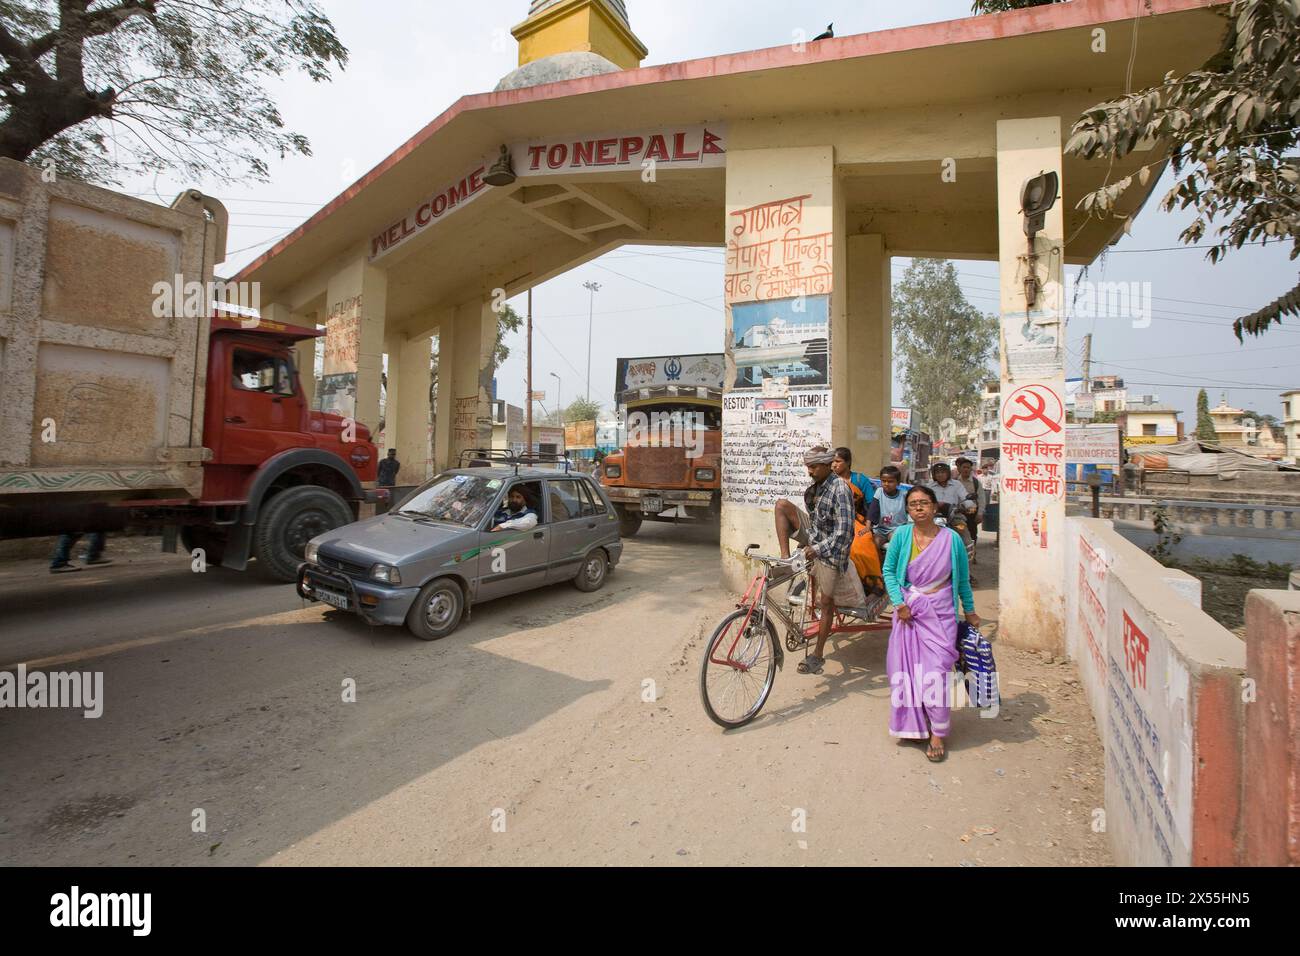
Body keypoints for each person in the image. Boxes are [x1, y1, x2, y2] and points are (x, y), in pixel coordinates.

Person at [882, 486, 979, 762]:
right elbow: (889, 571)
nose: (919, 508)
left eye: (924, 503)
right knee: (905, 672)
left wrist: (970, 611)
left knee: (936, 673)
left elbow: (961, 580)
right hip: (908, 614)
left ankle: (937, 732)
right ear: (908, 510)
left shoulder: (952, 540)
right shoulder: (901, 536)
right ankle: (912, 724)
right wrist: (899, 604)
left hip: (941, 614)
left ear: (935, 507)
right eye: (913, 504)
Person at [773, 446, 865, 675]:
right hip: (815, 536)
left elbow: (844, 534)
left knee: (826, 602)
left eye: (814, 467)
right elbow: (814, 522)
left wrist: (817, 549)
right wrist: (806, 544)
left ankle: (818, 655)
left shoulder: (840, 489)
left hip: (833, 551)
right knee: (782, 505)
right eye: (808, 467)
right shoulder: (814, 489)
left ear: (826, 465)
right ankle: (785, 560)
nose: (810, 471)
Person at [954, 456, 986, 562]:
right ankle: (959, 556)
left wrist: (980, 513)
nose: (966, 469)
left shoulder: (976, 483)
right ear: (960, 468)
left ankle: (972, 555)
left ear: (971, 469)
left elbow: (981, 498)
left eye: (968, 467)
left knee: (972, 534)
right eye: (964, 467)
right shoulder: (954, 482)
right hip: (957, 514)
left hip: (972, 512)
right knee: (959, 532)